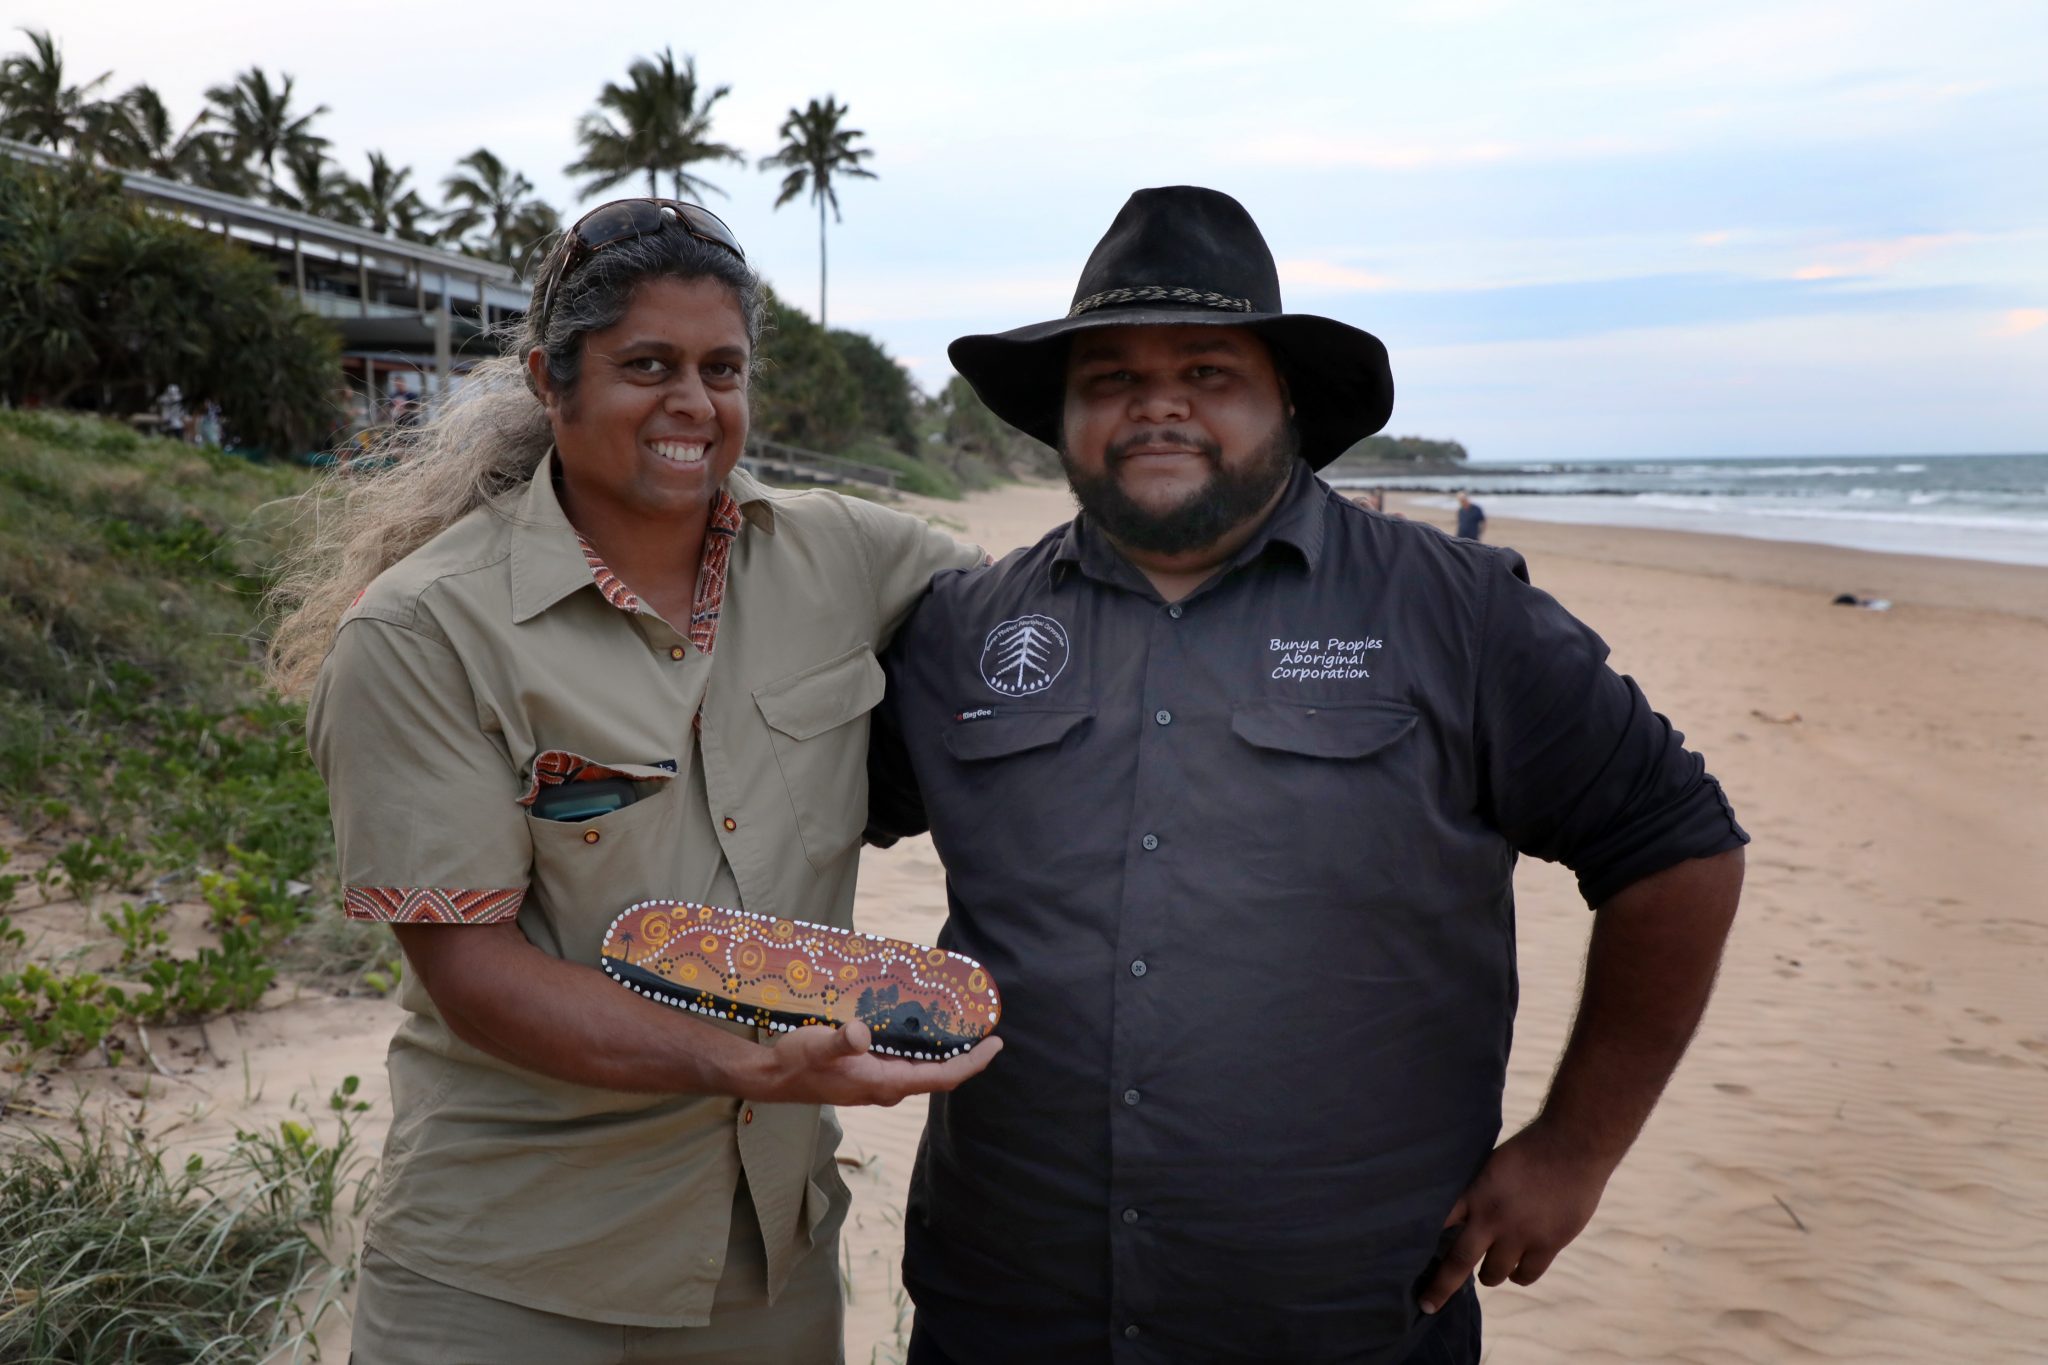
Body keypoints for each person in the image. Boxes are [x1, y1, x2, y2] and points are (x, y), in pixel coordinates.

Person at [866, 186, 1747, 1365]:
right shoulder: (959, 630)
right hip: (1004, 1306)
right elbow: (782, 816)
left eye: (1207, 370)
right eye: (1111, 376)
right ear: (1064, 415)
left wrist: (1574, 1150)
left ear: (1283, 398)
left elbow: (1675, 848)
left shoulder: (1456, 611)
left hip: (1343, 1321)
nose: (1157, 404)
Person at [269, 198, 1000, 1364]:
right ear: (549, 382)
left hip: (774, 1258)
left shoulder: (846, 557)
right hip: (514, 1269)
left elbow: (1060, 625)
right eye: (645, 365)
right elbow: (473, 972)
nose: (693, 405)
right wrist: (753, 1060)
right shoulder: (421, 635)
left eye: (724, 368)